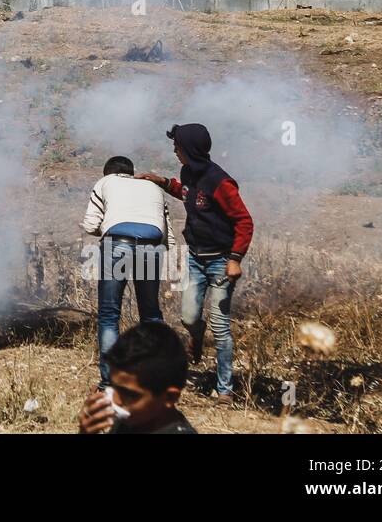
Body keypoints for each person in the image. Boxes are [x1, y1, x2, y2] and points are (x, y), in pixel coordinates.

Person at [138, 123, 254, 405]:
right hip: (195, 258)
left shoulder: (221, 183)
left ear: (189, 148)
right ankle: (196, 336)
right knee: (189, 317)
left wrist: (235, 259)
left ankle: (224, 389)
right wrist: (162, 182)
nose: (174, 150)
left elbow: (244, 221)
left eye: (177, 146)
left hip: (221, 262)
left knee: (221, 327)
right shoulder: (188, 172)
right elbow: (187, 194)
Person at [82, 155, 176, 389]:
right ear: (131, 172)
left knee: (109, 314)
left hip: (117, 244)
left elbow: (90, 225)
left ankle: (109, 382)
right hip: (152, 246)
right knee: (151, 314)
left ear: (109, 172)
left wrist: (109, 228)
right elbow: (168, 234)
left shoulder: (104, 183)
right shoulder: (153, 187)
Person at [78, 322, 197, 434]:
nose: (115, 400)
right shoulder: (132, 422)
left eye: (130, 395)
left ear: (169, 397)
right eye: (113, 386)